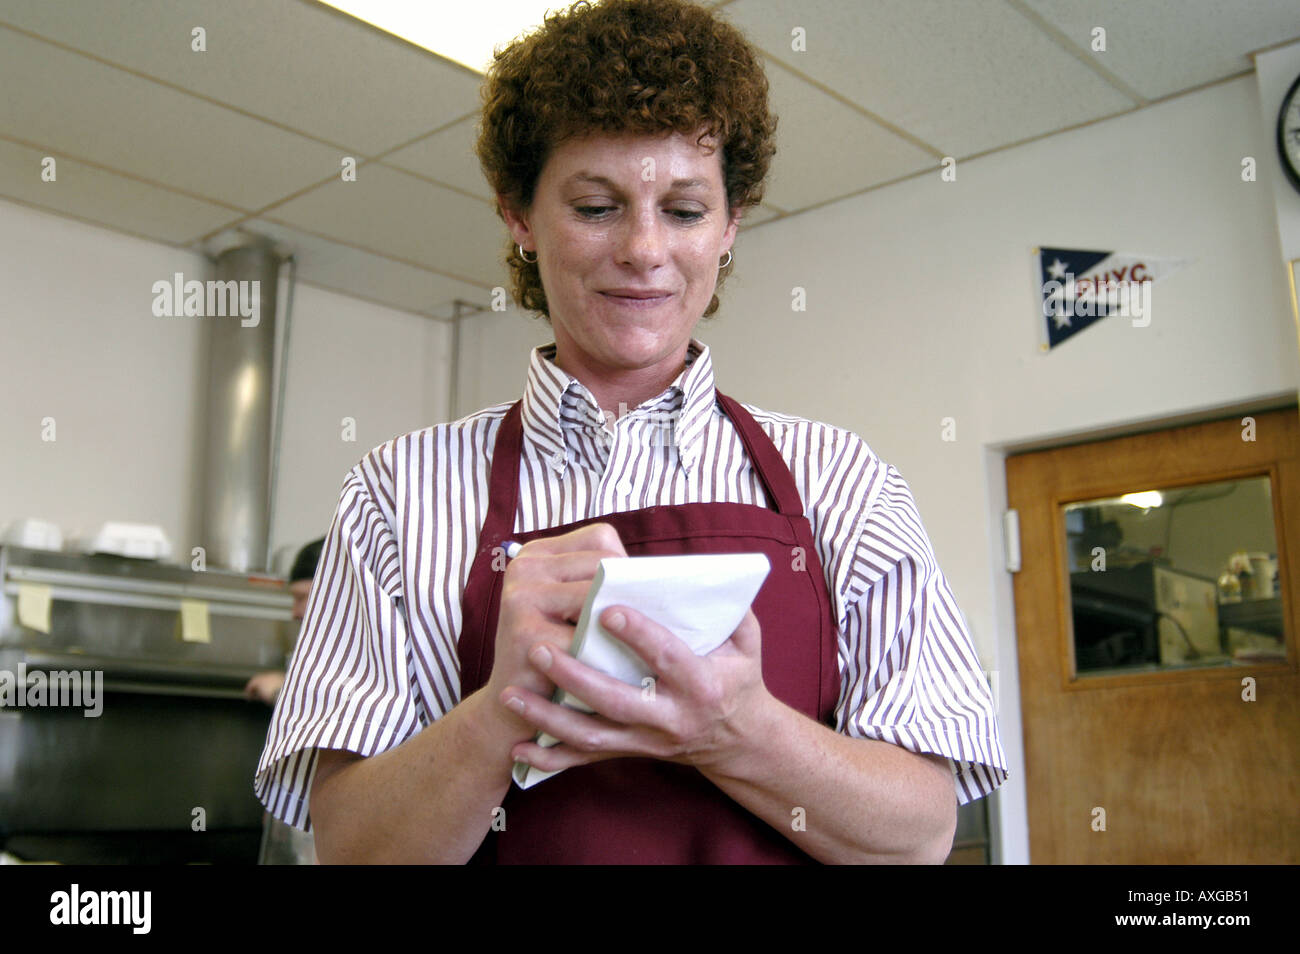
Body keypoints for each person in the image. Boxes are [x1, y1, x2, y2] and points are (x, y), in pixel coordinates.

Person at [256, 0, 1007, 864]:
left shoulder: (844, 483)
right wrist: (501, 711)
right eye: (596, 206)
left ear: (729, 226)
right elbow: (353, 849)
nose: (645, 249)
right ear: (519, 215)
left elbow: (920, 836)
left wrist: (738, 732)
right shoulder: (399, 494)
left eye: (684, 211)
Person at [249, 537, 325, 865]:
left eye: (302, 598)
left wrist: (279, 693)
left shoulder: (370, 651)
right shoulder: (314, 651)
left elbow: (327, 720)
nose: (295, 612)